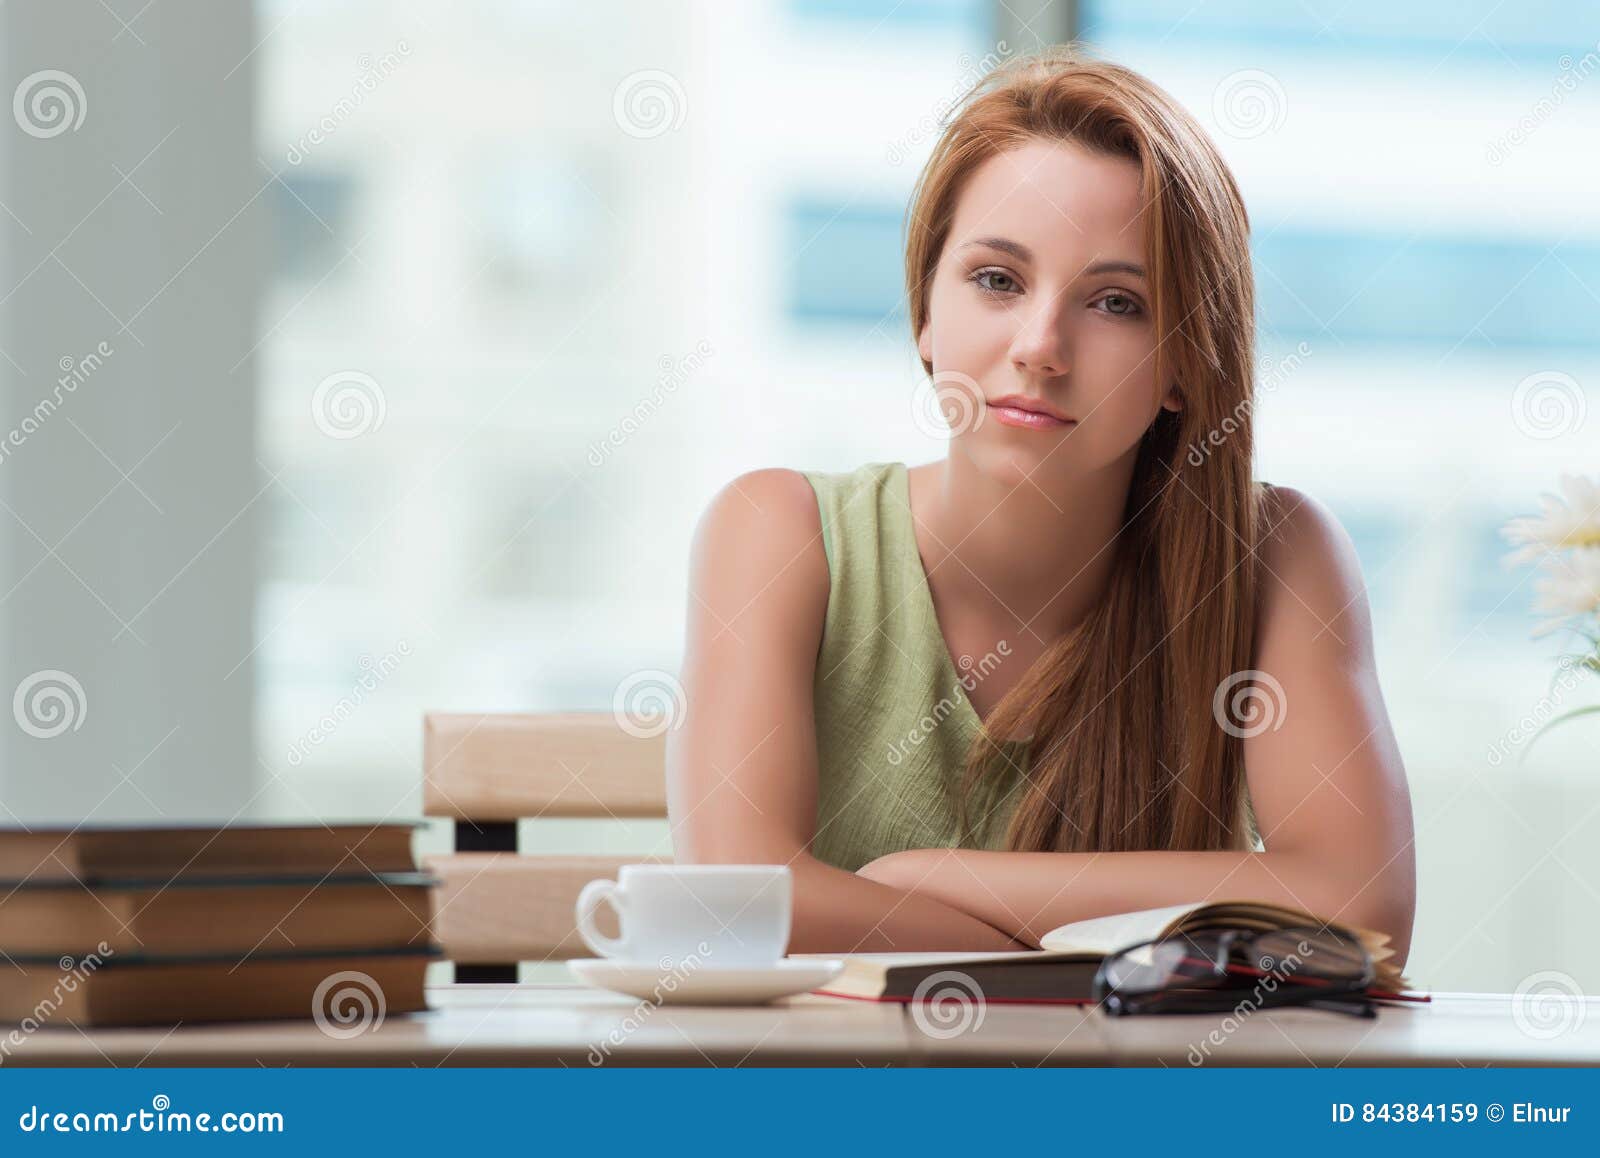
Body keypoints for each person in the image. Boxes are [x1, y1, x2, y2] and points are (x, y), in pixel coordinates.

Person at [665, 46, 1415, 969]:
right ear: (925, 315)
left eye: (1115, 302)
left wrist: (932, 877)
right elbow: (736, 898)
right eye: (996, 280)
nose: (1040, 346)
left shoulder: (1272, 555)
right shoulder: (778, 531)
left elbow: (1360, 906)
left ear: (1186, 364)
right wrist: (1067, 952)